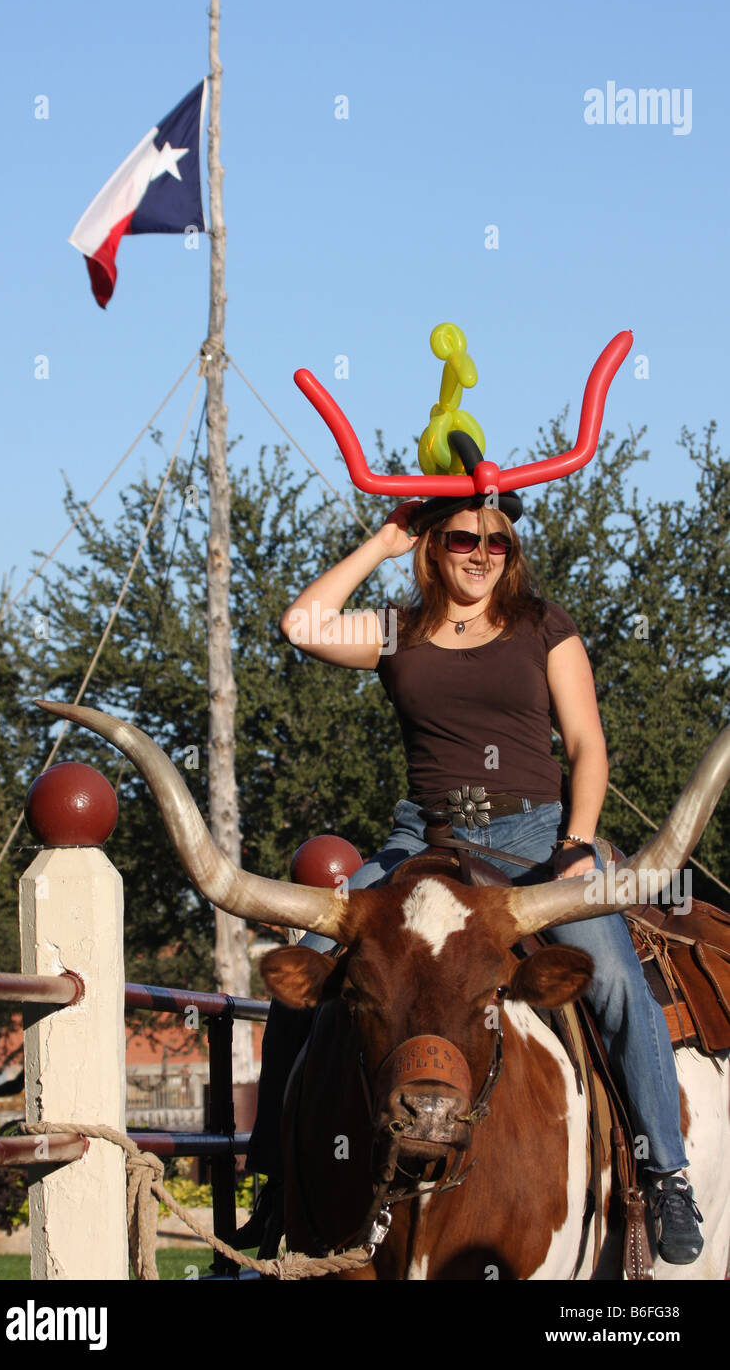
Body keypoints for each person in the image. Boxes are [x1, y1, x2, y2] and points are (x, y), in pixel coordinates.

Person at [240, 487, 703, 1267]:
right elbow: (301, 626)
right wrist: (380, 543)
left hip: (531, 841)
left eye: (497, 542)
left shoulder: (542, 626)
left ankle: (666, 1173)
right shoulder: (400, 630)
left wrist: (580, 843)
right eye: (461, 539)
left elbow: (587, 745)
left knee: (616, 976)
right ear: (433, 544)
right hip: (423, 836)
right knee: (314, 957)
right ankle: (276, 1184)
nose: (481, 555)